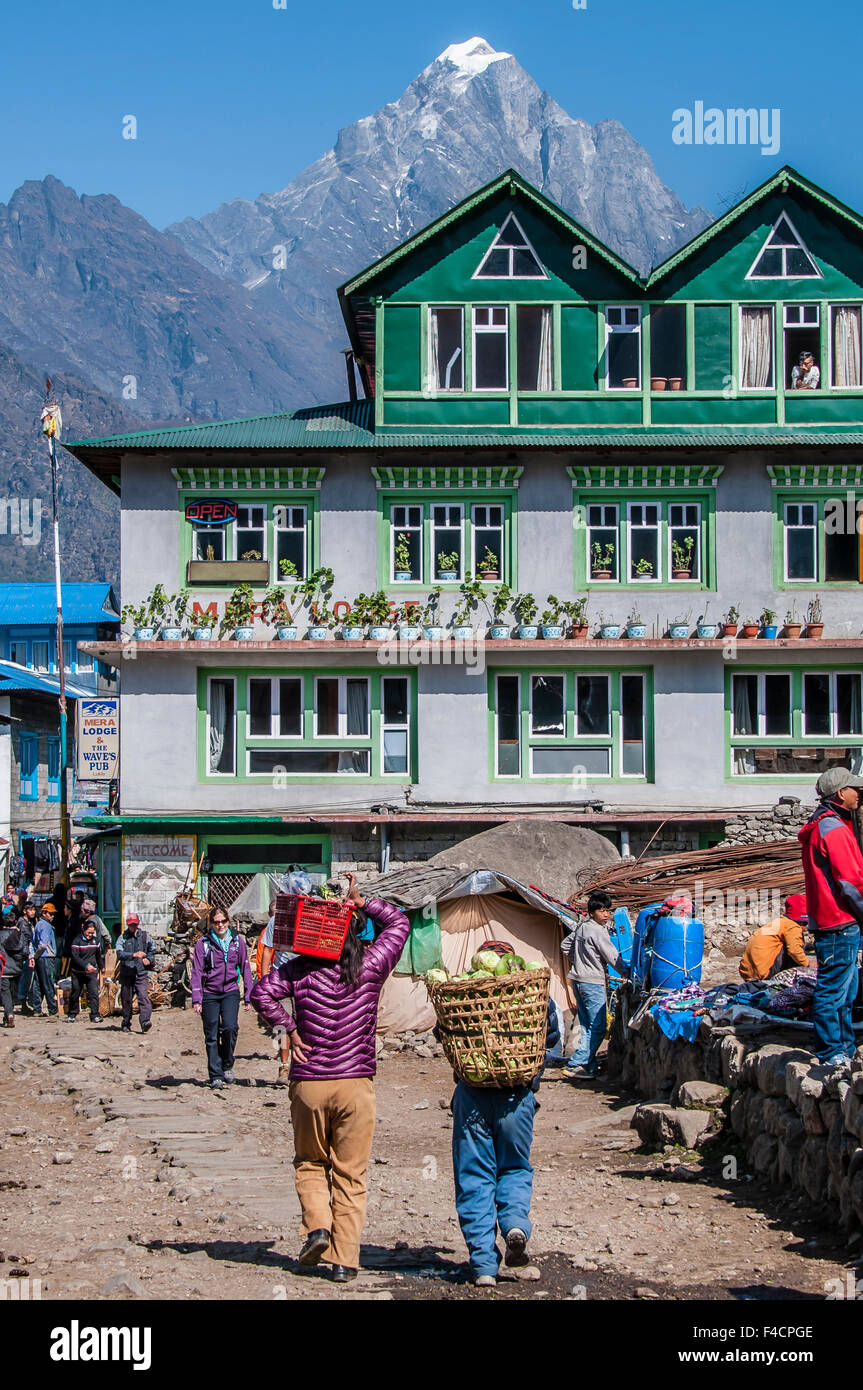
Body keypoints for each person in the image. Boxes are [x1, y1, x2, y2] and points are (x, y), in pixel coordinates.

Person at [250, 874, 409, 1283]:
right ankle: (344, 1262)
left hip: (310, 1083)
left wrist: (288, 1026)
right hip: (356, 1084)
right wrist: (361, 901)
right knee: (351, 1174)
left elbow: (259, 993)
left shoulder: (300, 970)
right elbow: (400, 925)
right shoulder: (371, 965)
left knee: (310, 1162)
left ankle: (318, 1227)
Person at [447, 939, 559, 1288]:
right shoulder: (535, 992)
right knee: (513, 1166)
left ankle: (483, 1265)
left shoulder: (463, 992)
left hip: (472, 1097)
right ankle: (513, 1224)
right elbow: (551, 1038)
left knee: (474, 1176)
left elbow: (444, 1032)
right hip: (517, 1099)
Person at [799, 767, 863, 1065]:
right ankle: (831, 1052)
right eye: (855, 789)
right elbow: (851, 882)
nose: (858, 794)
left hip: (831, 921)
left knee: (845, 993)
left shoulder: (819, 825)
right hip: (840, 921)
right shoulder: (834, 829)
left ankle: (845, 1051)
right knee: (833, 992)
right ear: (840, 793)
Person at [560, 890, 629, 1079]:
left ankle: (588, 1068)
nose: (606, 915)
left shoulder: (582, 927)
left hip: (578, 979)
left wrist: (579, 961)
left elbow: (565, 945)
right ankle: (576, 1063)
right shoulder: (598, 931)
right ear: (592, 912)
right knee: (598, 1026)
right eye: (602, 911)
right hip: (592, 982)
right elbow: (612, 957)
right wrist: (629, 973)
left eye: (608, 911)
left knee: (587, 1025)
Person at [190, 908, 254, 1089]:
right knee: (211, 1034)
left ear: (228, 921)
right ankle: (215, 1074)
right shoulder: (203, 944)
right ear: (211, 923)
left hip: (230, 991)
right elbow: (197, 971)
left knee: (230, 1027)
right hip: (209, 993)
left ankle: (227, 1063)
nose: (220, 925)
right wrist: (197, 998)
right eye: (216, 922)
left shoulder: (237, 942)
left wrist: (248, 995)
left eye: (223, 921)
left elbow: (245, 967)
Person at [259, 897, 297, 1084]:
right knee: (282, 1025)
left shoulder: (310, 919)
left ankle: (301, 1066)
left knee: (304, 1025)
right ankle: (283, 1065)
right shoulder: (277, 920)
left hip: (304, 979)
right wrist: (265, 979)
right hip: (281, 979)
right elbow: (267, 950)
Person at [739, 894, 811, 981]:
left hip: (748, 973)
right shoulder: (792, 926)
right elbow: (794, 950)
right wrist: (808, 964)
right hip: (764, 973)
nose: (805, 927)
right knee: (796, 948)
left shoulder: (779, 922)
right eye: (806, 924)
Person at [116, 913, 155, 1033]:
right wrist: (133, 955)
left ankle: (145, 1021)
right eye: (131, 925)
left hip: (141, 972)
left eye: (135, 924)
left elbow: (152, 950)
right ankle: (126, 1022)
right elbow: (119, 954)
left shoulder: (144, 936)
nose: (133, 926)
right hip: (127, 973)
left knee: (143, 997)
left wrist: (149, 959)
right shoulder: (123, 938)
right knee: (126, 1000)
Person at [67, 916, 104, 1023]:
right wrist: (86, 965)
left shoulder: (96, 941)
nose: (90, 935)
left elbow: (98, 956)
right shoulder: (77, 941)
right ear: (83, 930)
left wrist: (101, 967)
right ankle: (72, 1014)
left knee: (93, 993)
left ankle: (95, 1015)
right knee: (75, 993)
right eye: (88, 933)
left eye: (92, 933)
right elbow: (75, 957)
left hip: (91, 973)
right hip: (77, 972)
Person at [0, 907, 27, 1027]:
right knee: (12, 992)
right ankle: (7, 1016)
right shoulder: (19, 935)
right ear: (15, 922)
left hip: (3, 968)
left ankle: (9, 1013)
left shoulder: (0, 935)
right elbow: (25, 952)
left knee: (5, 992)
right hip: (17, 969)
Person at [31, 902, 59, 1017]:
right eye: (50, 914)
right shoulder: (46, 926)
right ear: (44, 913)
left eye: (53, 914)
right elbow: (42, 945)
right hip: (46, 958)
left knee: (38, 984)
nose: (52, 916)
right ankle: (52, 1009)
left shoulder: (38, 924)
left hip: (39, 958)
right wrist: (36, 956)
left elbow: (33, 943)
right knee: (48, 983)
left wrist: (34, 956)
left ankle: (37, 1009)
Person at [16, 901, 39, 1015]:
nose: (33, 912)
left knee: (27, 978)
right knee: (25, 979)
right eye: (30, 910)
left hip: (28, 953)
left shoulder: (29, 922)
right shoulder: (23, 923)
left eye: (34, 910)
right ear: (25, 911)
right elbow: (24, 942)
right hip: (25, 955)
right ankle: (23, 1002)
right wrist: (29, 956)